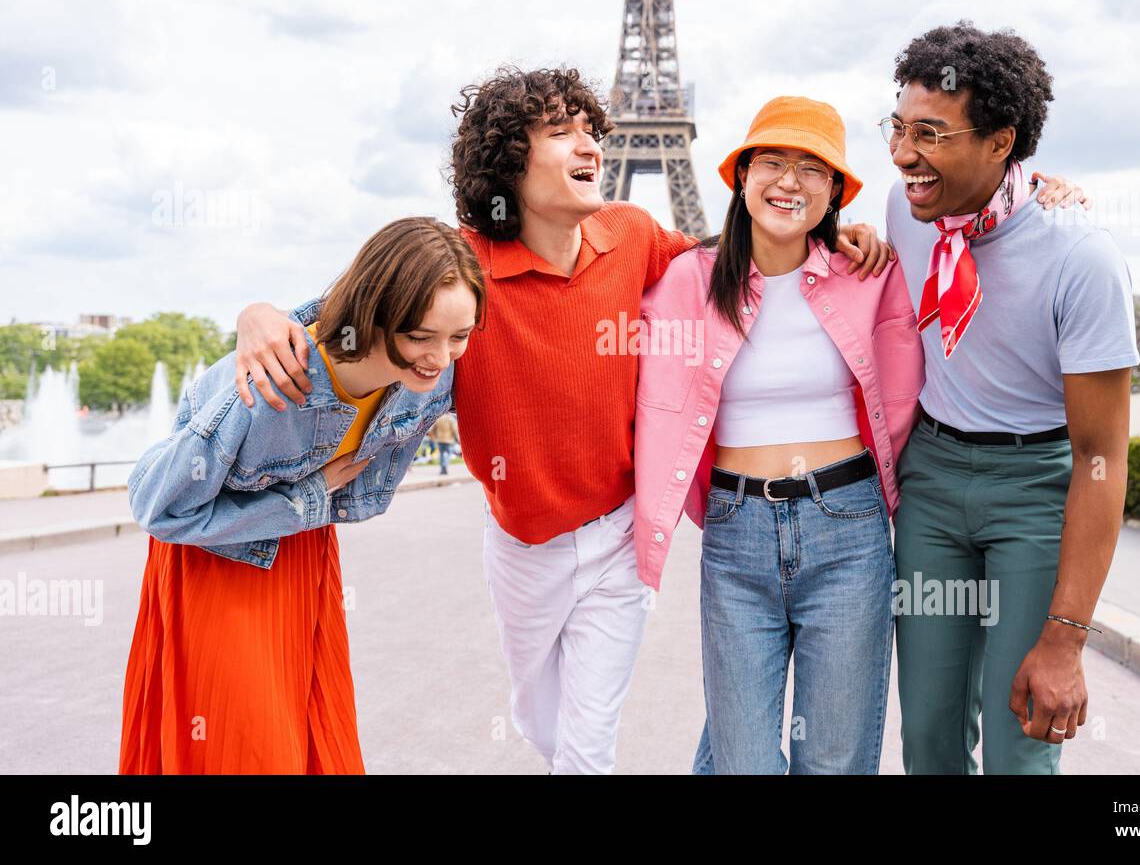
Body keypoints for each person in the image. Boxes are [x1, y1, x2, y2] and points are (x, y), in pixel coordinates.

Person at [229, 66, 891, 774]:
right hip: (521, 542)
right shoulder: (461, 264)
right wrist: (257, 315)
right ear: (510, 161)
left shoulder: (633, 236)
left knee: (585, 747)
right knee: (542, 721)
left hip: (615, 535)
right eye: (562, 131)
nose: (591, 145)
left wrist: (833, 229)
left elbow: (747, 254)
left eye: (592, 131)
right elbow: (357, 310)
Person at [119, 217, 484, 774]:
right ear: (376, 313)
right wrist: (307, 499)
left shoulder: (430, 381)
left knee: (312, 743)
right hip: (218, 565)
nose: (441, 357)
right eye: (420, 336)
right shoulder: (272, 381)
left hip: (306, 557)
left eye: (459, 336)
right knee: (245, 750)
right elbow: (156, 505)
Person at [634, 97, 924, 773]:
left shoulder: (869, 275)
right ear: (742, 176)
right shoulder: (687, 281)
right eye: (772, 162)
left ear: (834, 194)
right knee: (743, 762)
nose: (789, 181)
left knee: (834, 759)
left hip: (848, 527)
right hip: (737, 533)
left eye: (812, 169)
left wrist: (1046, 193)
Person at [881, 22, 1140, 774]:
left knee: (1020, 739)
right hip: (931, 479)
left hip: (1036, 490)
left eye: (929, 134)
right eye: (897, 128)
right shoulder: (910, 209)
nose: (903, 155)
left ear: (1001, 141)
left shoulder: (1082, 257)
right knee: (927, 735)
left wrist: (1067, 637)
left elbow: (1101, 455)